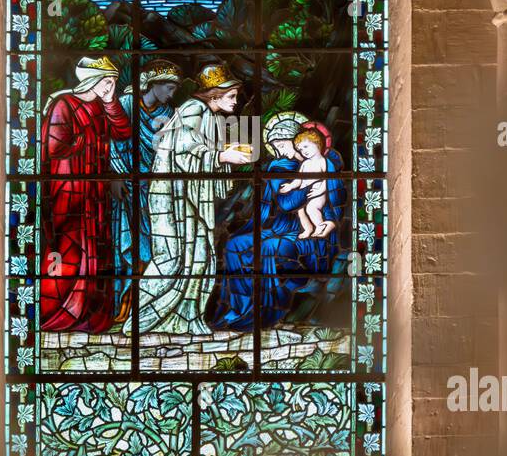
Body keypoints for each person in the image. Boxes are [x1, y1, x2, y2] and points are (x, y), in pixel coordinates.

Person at [138, 63, 252, 335]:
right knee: (172, 260)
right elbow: (184, 151)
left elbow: (196, 150)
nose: (236, 102)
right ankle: (142, 317)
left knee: (198, 258)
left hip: (184, 196)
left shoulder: (207, 115)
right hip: (173, 198)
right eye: (231, 96)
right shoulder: (193, 109)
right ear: (214, 95)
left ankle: (185, 319)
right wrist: (223, 156)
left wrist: (224, 153)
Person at [211, 112, 345, 331]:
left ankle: (268, 308)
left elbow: (324, 201)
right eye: (274, 146)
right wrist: (308, 187)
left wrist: (312, 192)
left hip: (305, 234)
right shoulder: (279, 168)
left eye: (281, 144)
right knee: (235, 244)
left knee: (269, 248)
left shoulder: (322, 165)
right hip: (280, 228)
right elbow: (286, 203)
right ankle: (240, 308)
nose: (278, 151)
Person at [37, 55, 131, 332]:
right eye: (107, 81)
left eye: (113, 81)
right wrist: (84, 140)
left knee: (96, 249)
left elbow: (123, 132)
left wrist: (110, 102)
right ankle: (57, 311)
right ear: (93, 80)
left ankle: (90, 315)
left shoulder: (101, 107)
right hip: (69, 190)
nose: (110, 86)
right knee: (70, 247)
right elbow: (54, 148)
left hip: (95, 192)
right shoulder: (63, 104)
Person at [109, 60, 181, 315]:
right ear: (154, 84)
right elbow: (111, 141)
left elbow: (173, 151)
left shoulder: (171, 113)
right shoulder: (126, 105)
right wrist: (115, 176)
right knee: (125, 242)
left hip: (155, 188)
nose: (172, 94)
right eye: (170, 87)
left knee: (151, 244)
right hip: (126, 187)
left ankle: (144, 304)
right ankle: (123, 304)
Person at [279, 122, 336, 238]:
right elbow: (299, 180)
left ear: (317, 143)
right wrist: (290, 186)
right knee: (301, 211)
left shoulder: (322, 162)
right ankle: (308, 229)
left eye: (305, 146)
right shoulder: (305, 163)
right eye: (300, 149)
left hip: (317, 193)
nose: (303, 151)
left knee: (311, 208)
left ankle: (320, 226)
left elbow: (327, 180)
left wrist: (320, 191)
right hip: (305, 193)